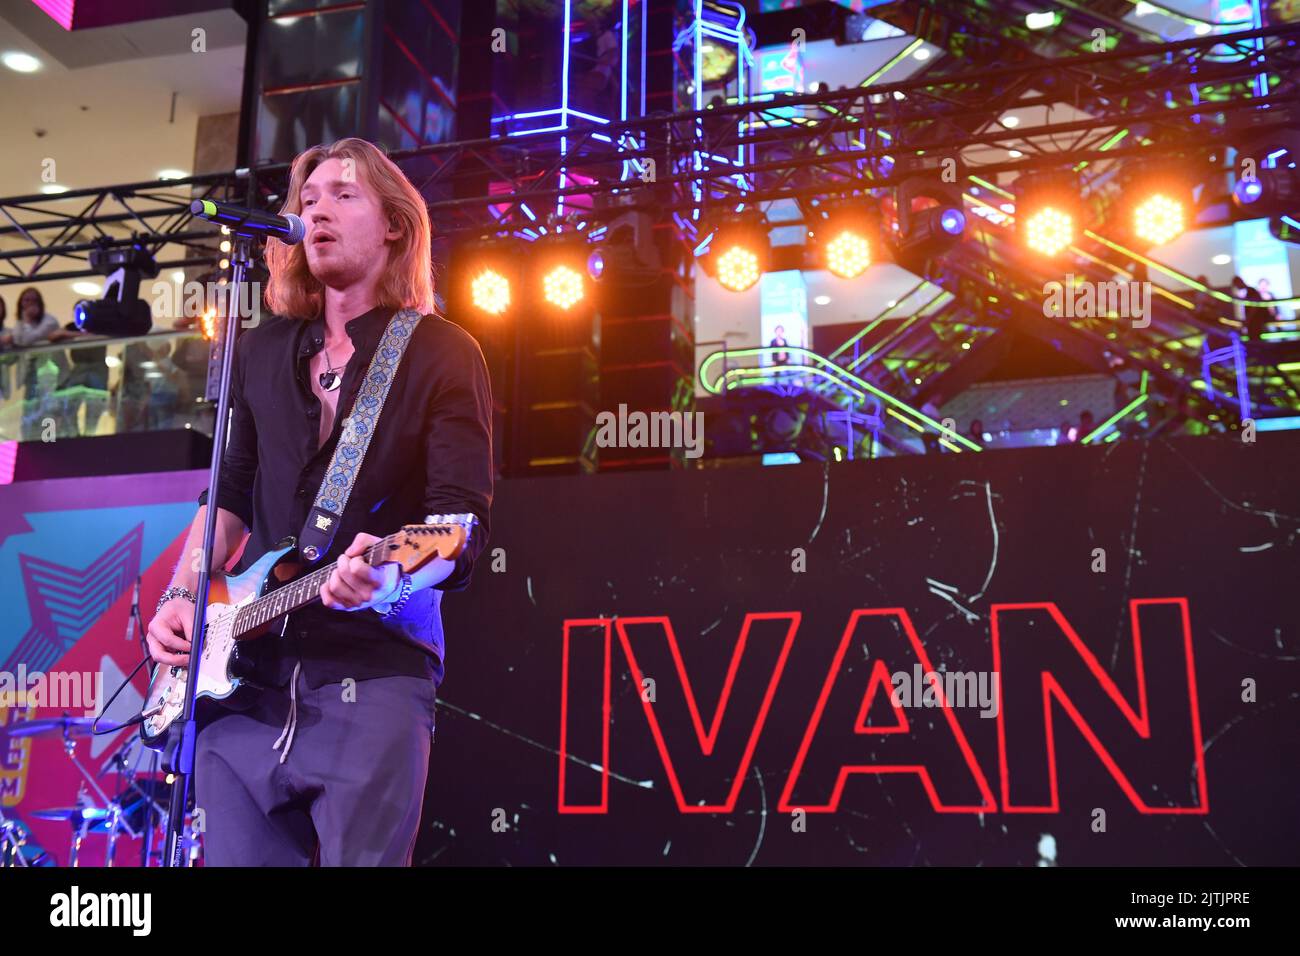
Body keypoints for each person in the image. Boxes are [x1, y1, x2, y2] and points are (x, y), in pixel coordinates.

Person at [144, 137, 494, 866]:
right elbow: (230, 493)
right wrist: (183, 592)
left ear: (395, 223)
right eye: (307, 200)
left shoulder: (441, 351)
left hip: (371, 678)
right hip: (243, 689)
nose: (318, 210)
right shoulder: (264, 351)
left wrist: (390, 575)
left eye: (343, 194)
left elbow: (459, 527)